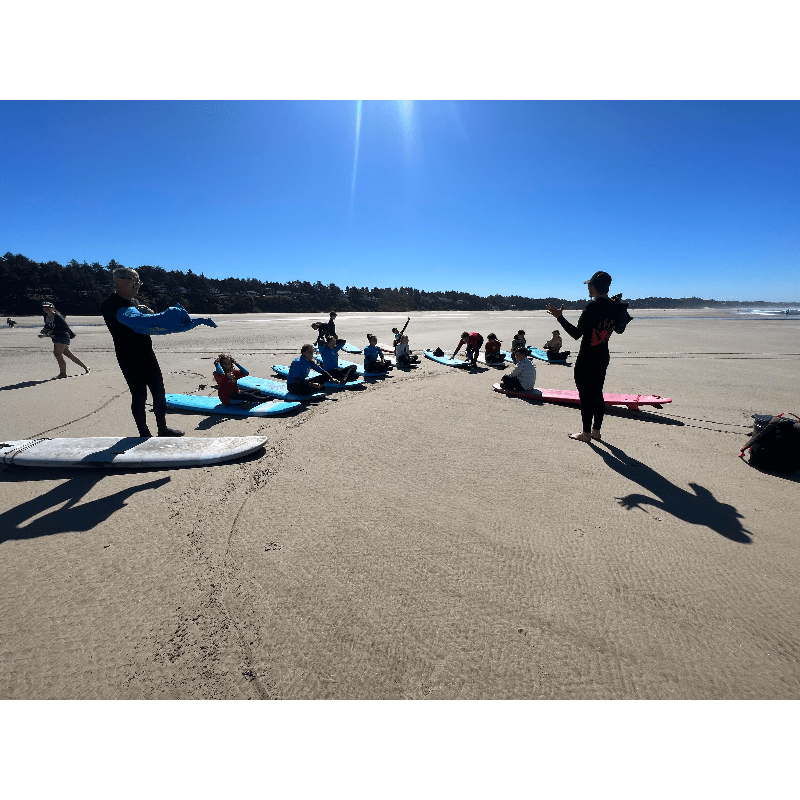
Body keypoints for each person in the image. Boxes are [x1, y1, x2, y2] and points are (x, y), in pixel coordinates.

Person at [100, 266, 216, 437]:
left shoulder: (134, 303)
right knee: (139, 394)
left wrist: (191, 322)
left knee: (159, 392)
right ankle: (144, 433)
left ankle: (162, 429)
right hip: (128, 355)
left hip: (146, 351)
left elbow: (154, 324)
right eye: (134, 280)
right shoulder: (110, 304)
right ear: (119, 281)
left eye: (139, 281)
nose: (137, 284)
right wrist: (162, 316)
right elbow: (134, 320)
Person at [547, 270, 632, 442]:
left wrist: (560, 318)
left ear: (593, 287)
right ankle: (596, 431)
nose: (588, 289)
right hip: (602, 356)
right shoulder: (615, 305)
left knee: (585, 396)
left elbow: (576, 334)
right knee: (597, 393)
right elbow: (620, 329)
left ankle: (586, 434)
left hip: (587, 358)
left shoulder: (591, 307)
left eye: (589, 286)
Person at [38, 301, 89, 378]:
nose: (46, 309)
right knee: (69, 355)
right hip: (55, 337)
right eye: (44, 307)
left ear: (52, 307)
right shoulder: (46, 316)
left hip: (62, 337)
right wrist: (43, 333)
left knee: (57, 353)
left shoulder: (57, 316)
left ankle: (63, 373)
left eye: (47, 307)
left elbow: (65, 328)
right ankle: (86, 367)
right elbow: (47, 326)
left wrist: (52, 332)